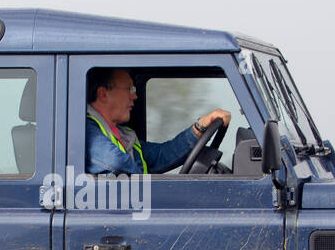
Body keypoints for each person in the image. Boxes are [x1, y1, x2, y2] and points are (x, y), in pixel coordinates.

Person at [86, 68, 231, 175]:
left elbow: (162, 155)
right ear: (103, 94)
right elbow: (115, 161)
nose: (135, 96)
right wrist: (151, 188)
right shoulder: (86, 129)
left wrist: (199, 128)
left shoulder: (124, 135)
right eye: (129, 89)